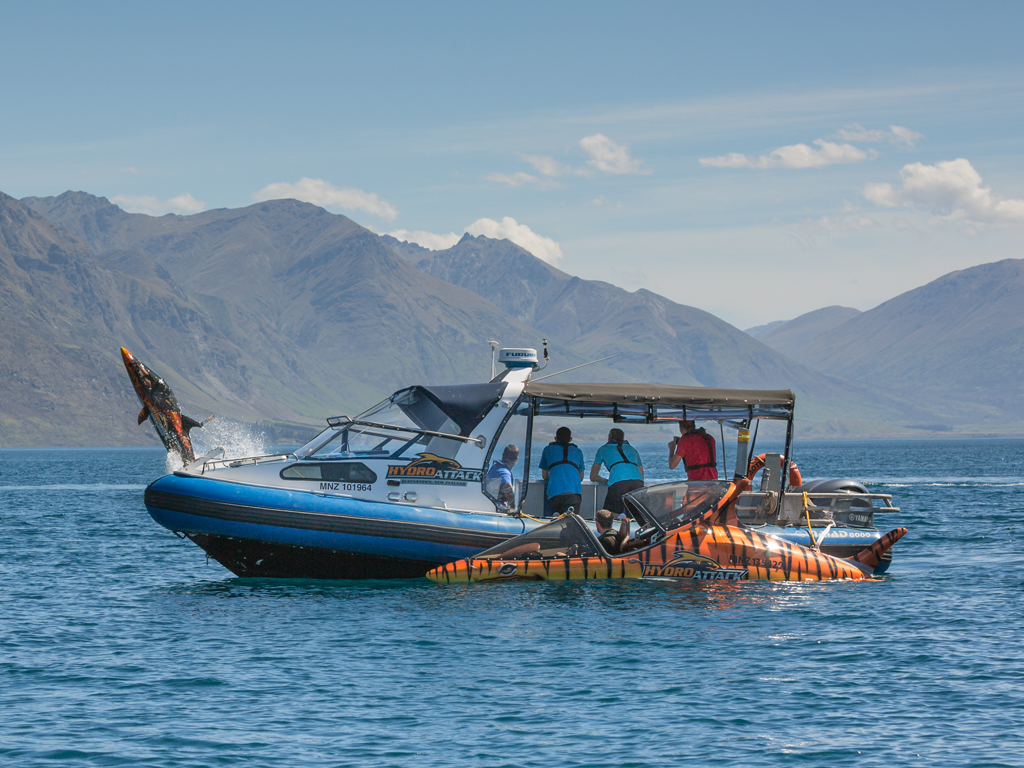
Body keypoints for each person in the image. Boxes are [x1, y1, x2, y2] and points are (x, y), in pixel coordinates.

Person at [590, 428, 644, 516]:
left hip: (618, 482)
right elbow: (641, 473)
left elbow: (593, 476)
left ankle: (615, 524)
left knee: (610, 514)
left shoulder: (603, 449)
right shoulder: (632, 449)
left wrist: (606, 480)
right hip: (638, 482)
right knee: (635, 515)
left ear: (609, 437)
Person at [539, 426, 584, 517]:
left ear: (555, 438)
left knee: (554, 520)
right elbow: (581, 477)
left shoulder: (548, 450)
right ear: (570, 439)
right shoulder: (578, 451)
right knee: (571, 521)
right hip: (574, 493)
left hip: (554, 493)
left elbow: (544, 476)